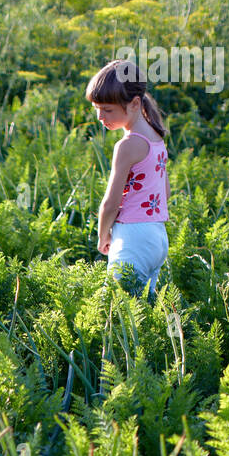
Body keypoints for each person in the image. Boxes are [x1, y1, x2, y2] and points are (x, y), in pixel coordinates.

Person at [85, 60, 171, 301]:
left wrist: (103, 235)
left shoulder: (127, 145)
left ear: (134, 104)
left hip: (132, 237)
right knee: (145, 309)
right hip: (157, 236)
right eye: (96, 108)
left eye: (108, 109)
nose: (100, 116)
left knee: (115, 308)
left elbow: (110, 202)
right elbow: (166, 191)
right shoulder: (156, 137)